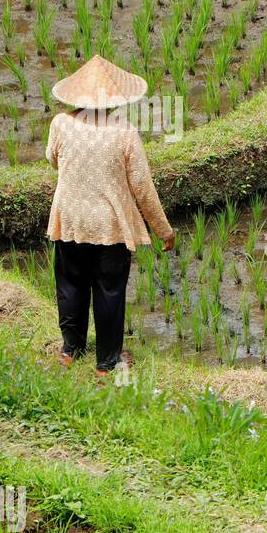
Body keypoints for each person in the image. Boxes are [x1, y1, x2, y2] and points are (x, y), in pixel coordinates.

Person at [45, 55, 175, 376]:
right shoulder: (125, 133)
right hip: (110, 227)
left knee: (71, 284)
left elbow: (53, 160)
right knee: (109, 290)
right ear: (115, 100)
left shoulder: (61, 124)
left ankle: (70, 348)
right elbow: (142, 187)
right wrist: (163, 230)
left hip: (69, 220)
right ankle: (107, 362)